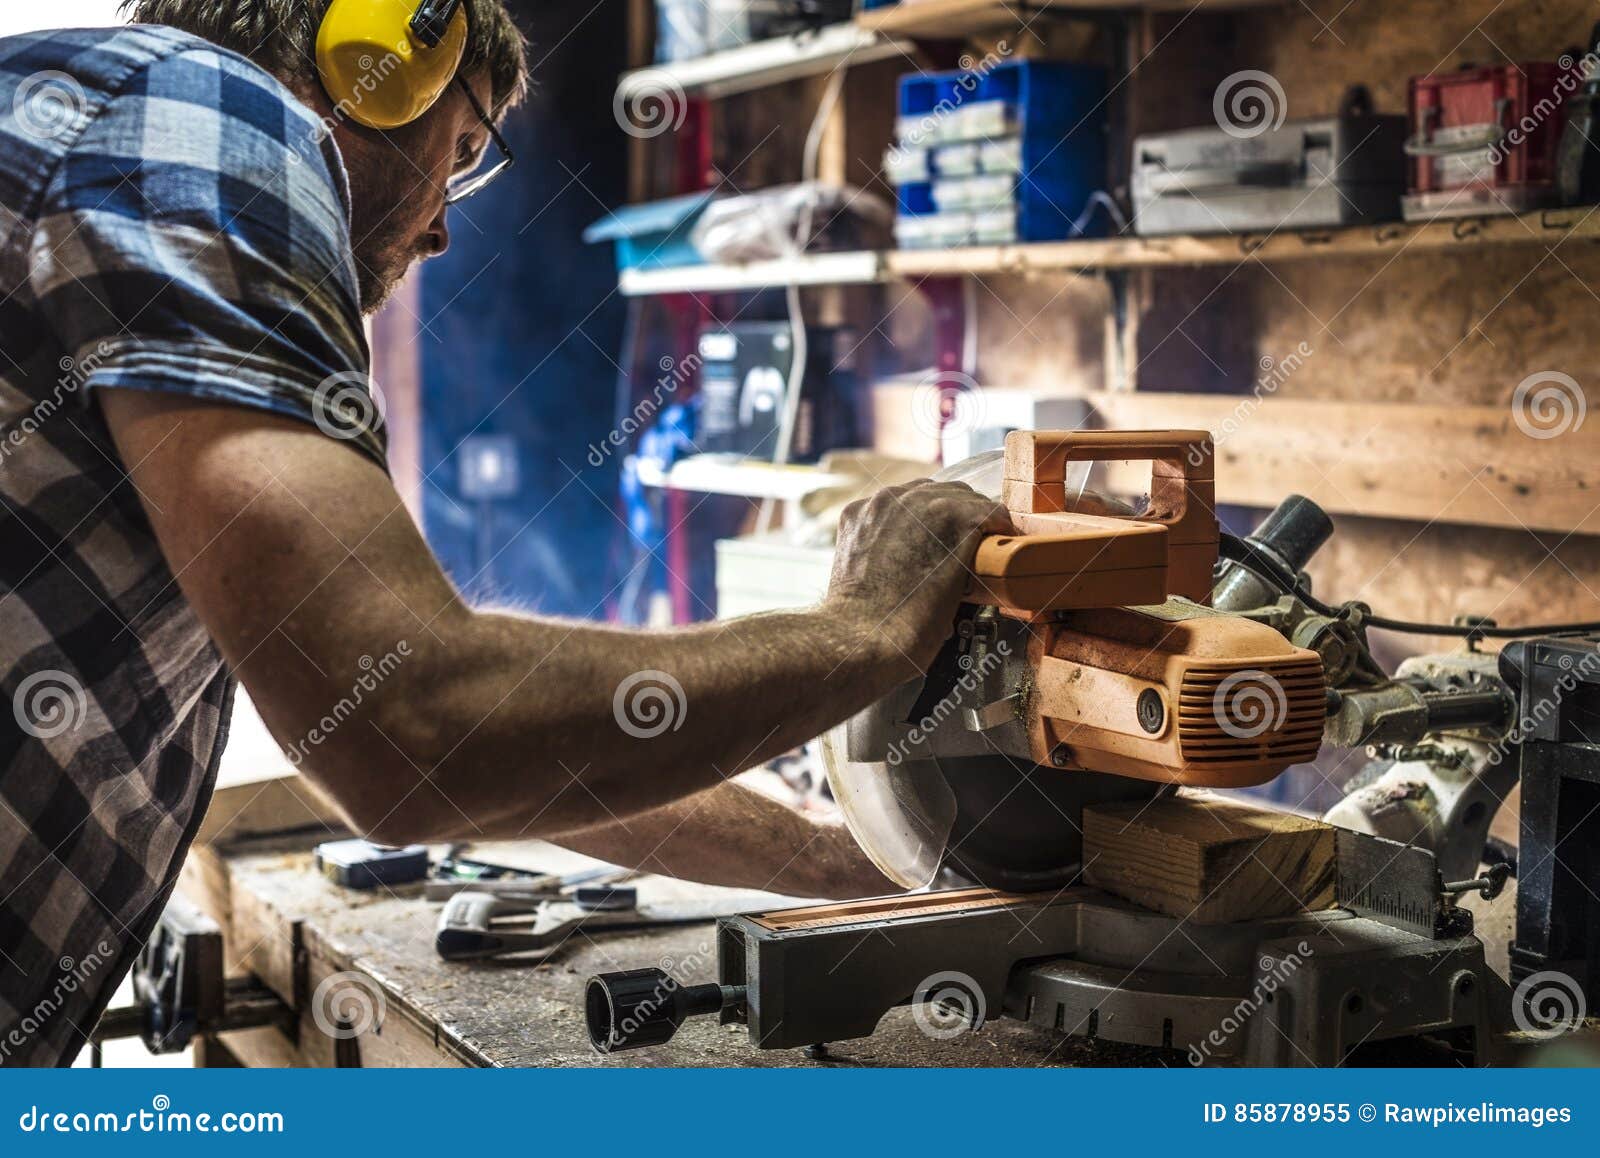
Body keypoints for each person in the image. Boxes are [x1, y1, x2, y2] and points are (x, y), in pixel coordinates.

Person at [0, 0, 1007, 1066]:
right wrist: (869, 628)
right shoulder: (195, 115)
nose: (440, 225)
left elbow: (475, 734)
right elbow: (414, 727)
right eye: (465, 151)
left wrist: (839, 856)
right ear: (383, 56)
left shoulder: (91, 116)